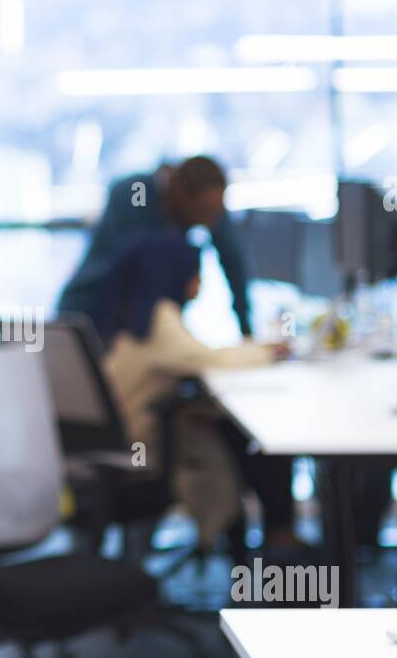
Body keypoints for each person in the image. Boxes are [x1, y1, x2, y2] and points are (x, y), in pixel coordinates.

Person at [97, 233, 299, 557]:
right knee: (246, 441)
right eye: (197, 273)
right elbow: (207, 359)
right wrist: (268, 352)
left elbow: (198, 355)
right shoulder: (158, 320)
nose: (200, 284)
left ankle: (271, 542)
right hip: (141, 448)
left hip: (115, 443)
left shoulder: (130, 315)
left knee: (235, 433)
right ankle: (273, 545)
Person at [59, 156, 252, 337]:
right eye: (205, 212)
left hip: (140, 326)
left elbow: (233, 262)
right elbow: (137, 258)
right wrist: (188, 263)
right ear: (180, 193)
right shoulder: (137, 189)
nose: (211, 223)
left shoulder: (208, 204)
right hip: (88, 315)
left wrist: (247, 332)